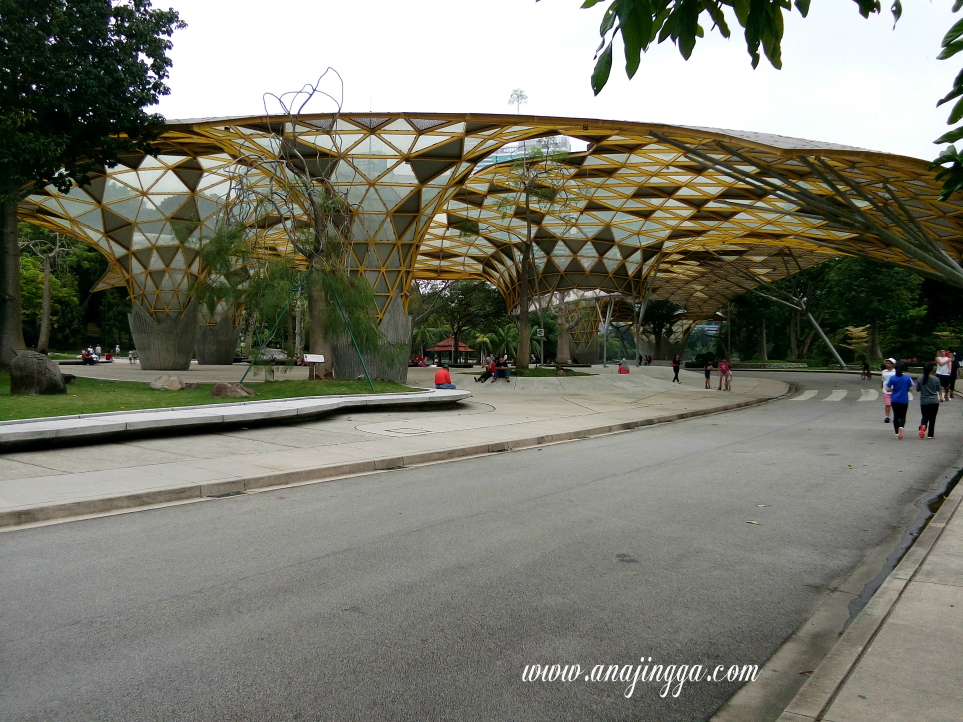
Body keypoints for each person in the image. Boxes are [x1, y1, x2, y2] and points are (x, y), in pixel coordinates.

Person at [885, 363, 914, 440]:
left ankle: (896, 432)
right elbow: (911, 388)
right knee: (903, 415)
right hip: (904, 399)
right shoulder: (907, 378)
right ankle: (901, 427)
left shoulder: (892, 378)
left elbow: (887, 389)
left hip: (894, 399)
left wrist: (893, 389)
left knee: (896, 416)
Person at [916, 362, 941, 439]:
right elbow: (938, 389)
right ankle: (930, 434)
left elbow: (918, 389)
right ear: (932, 370)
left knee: (925, 416)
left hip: (924, 401)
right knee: (932, 418)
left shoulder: (920, 379)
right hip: (934, 400)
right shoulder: (936, 379)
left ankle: (923, 426)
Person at [881, 358, 896, 423]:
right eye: (886, 363)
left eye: (889, 363)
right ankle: (887, 416)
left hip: (895, 390)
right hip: (886, 390)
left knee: (895, 404)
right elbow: (882, 379)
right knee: (887, 404)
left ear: (893, 364)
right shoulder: (884, 371)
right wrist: (882, 386)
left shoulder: (895, 372)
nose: (887, 364)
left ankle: (896, 416)